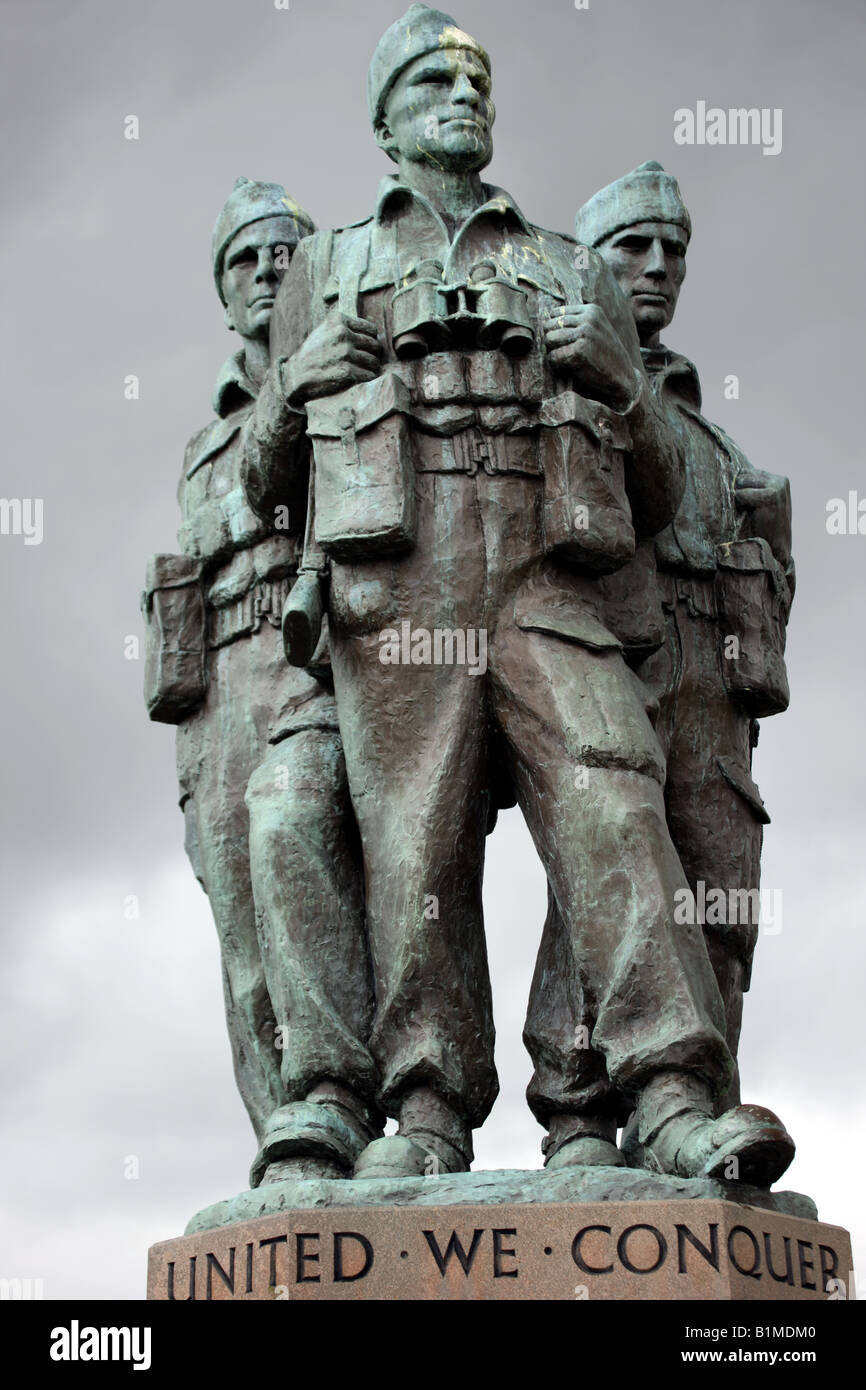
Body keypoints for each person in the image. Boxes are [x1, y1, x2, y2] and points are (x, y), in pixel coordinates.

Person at [243, 7, 795, 1186]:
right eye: (434, 82)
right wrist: (295, 391)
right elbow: (264, 489)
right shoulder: (325, 267)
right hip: (396, 584)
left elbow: (648, 491)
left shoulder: (564, 262)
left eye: (477, 80)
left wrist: (624, 388)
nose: (463, 97)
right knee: (415, 848)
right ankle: (429, 1108)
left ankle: (665, 1091)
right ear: (384, 119)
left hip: (550, 580)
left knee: (612, 803)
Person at [144, 180, 379, 1188]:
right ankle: (291, 1145)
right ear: (221, 287)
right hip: (215, 696)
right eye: (243, 259)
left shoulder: (347, 371)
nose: (266, 272)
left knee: (293, 835)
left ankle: (340, 1096)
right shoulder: (200, 444)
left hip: (310, 665)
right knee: (243, 940)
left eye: (284, 253)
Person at [574, 162, 794, 1122]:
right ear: (589, 262)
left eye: (675, 250)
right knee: (608, 882)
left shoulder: (716, 439)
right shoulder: (571, 393)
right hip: (617, 670)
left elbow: (773, 580)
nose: (658, 265)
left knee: (722, 901)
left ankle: (700, 1104)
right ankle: (579, 1109)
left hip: (717, 695)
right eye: (634, 246)